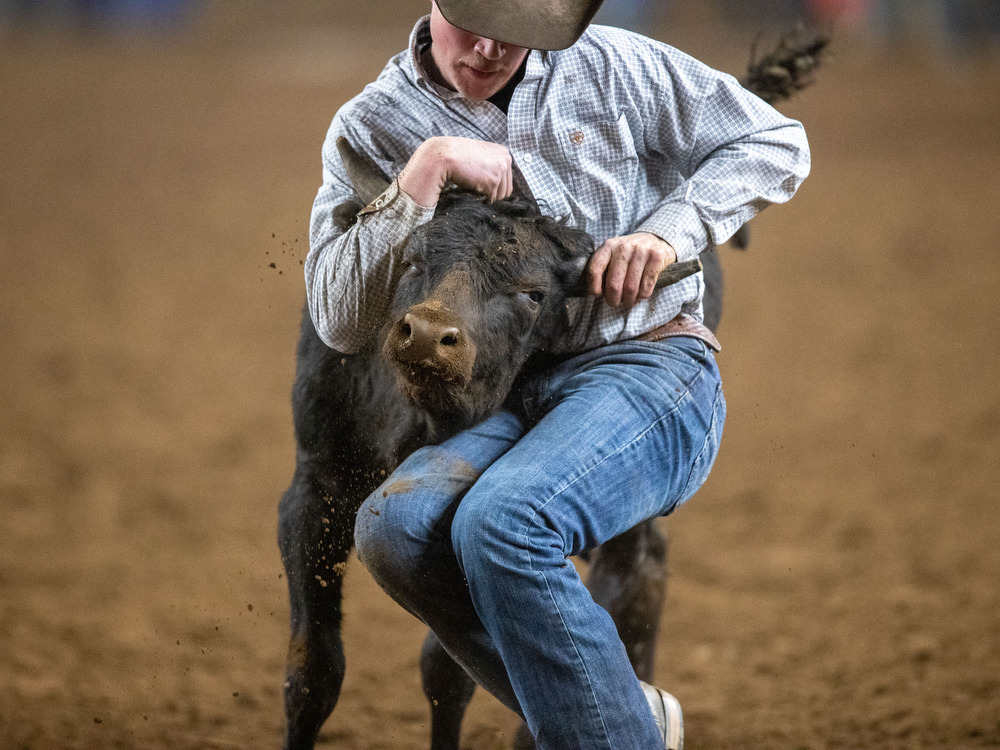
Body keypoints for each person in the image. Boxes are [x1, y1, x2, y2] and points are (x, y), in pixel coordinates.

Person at [305, 1, 809, 747]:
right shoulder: (376, 123)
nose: (486, 47)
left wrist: (667, 233)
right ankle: (620, 719)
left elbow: (775, 139)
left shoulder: (619, 66)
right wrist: (425, 169)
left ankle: (610, 729)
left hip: (646, 362)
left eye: (515, 29)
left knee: (502, 520)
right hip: (510, 395)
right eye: (470, 18)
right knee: (393, 527)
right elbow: (339, 319)